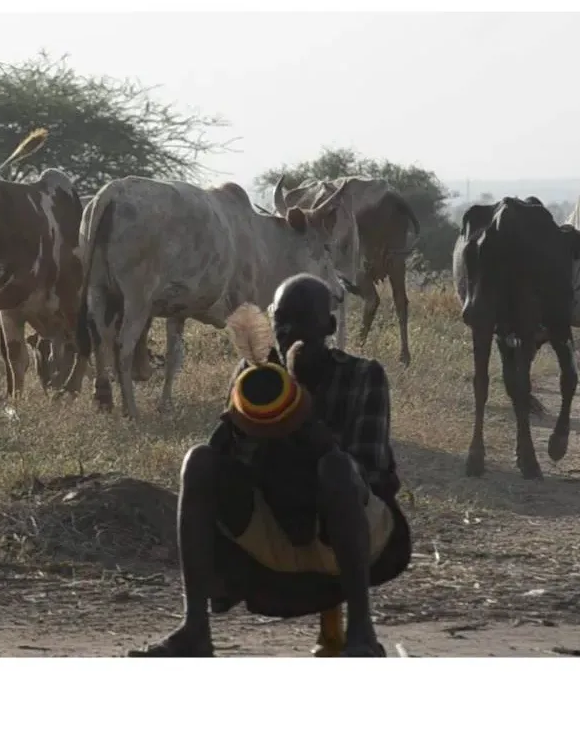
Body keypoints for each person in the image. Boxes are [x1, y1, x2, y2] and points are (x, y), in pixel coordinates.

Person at [127, 273, 412, 658]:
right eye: (282, 322)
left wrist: (308, 425)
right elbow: (230, 468)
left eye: (303, 321)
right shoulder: (255, 376)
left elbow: (372, 473)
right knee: (199, 461)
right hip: (274, 523)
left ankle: (361, 630)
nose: (291, 333)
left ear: (327, 326)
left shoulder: (363, 375)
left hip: (346, 529)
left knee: (336, 470)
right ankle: (195, 627)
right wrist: (238, 424)